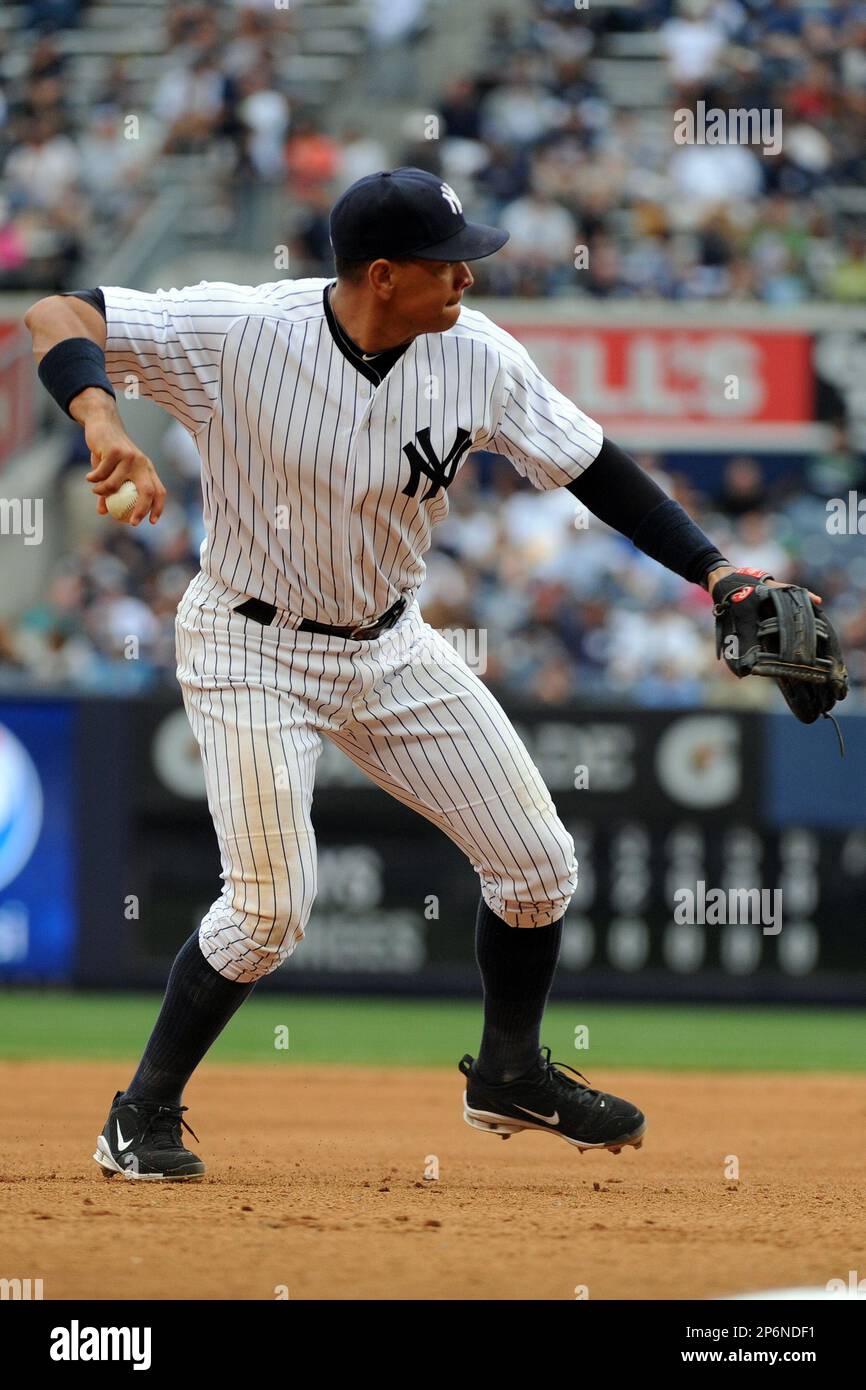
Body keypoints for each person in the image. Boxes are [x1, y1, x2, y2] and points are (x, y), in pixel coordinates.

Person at [24, 167, 814, 1181]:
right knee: (269, 910)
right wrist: (100, 420)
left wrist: (715, 570)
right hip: (250, 643)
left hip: (391, 645)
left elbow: (593, 468)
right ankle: (141, 1110)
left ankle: (509, 1070)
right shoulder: (239, 330)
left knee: (537, 866)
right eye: (450, 264)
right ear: (384, 274)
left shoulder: (475, 354)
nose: (467, 279)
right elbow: (56, 312)